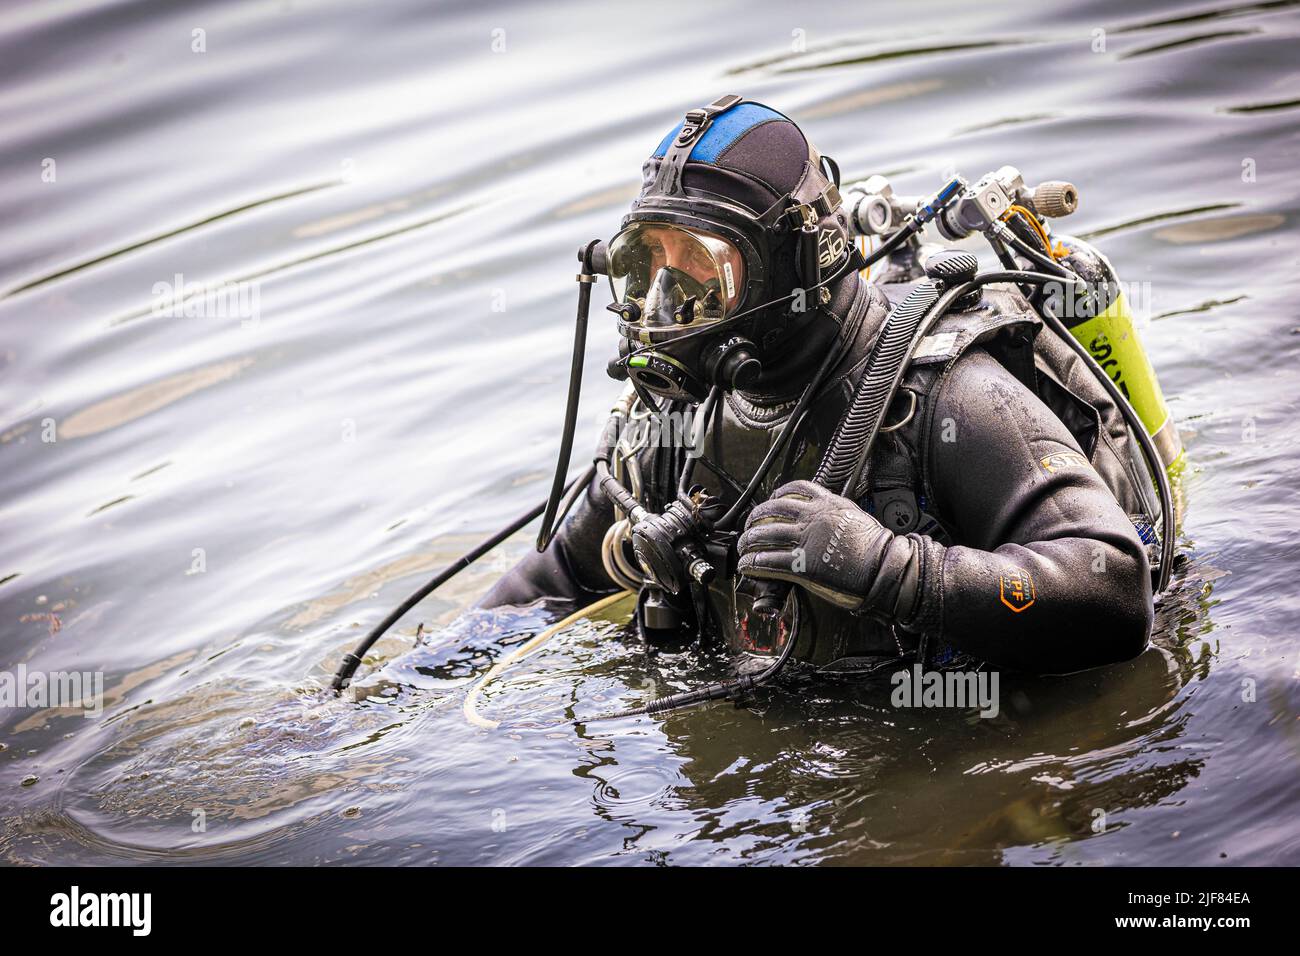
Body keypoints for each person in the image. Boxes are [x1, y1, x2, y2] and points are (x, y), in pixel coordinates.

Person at [479, 96, 1164, 677]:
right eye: (648, 260)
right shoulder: (674, 422)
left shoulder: (952, 400)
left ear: (798, 261)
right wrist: (410, 694)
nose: (666, 302)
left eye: (702, 267)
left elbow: (1116, 592)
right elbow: (550, 582)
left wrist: (888, 569)